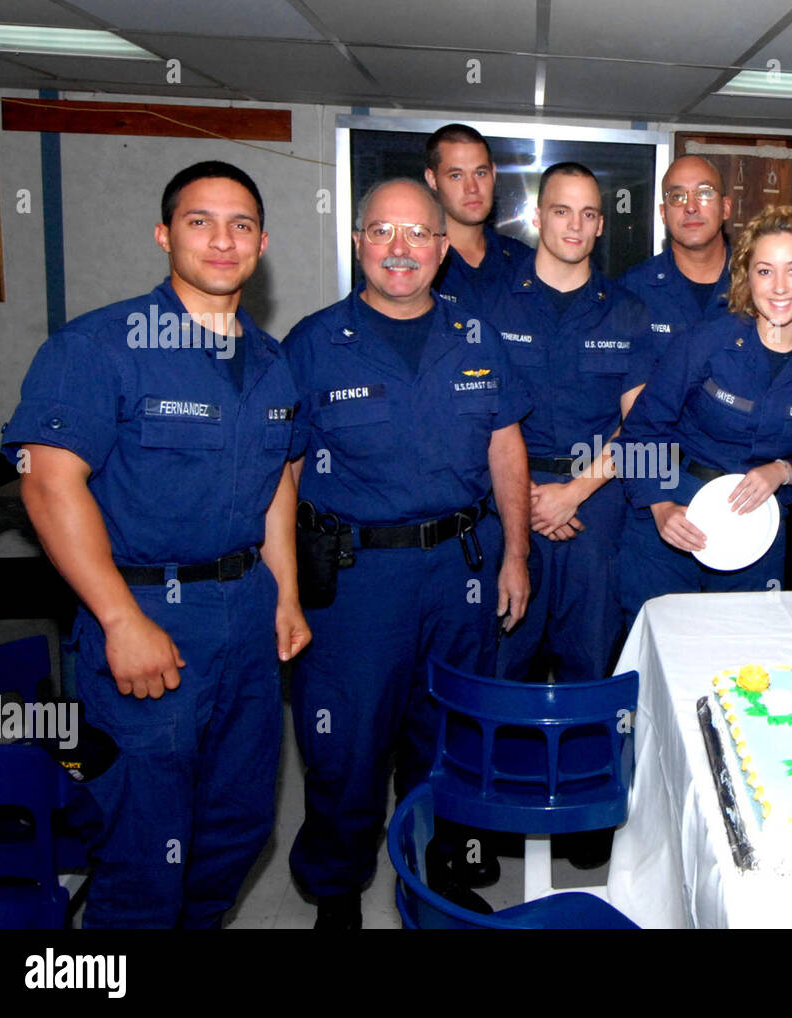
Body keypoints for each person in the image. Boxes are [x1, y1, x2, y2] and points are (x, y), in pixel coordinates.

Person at [1, 161, 309, 928]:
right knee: (143, 848)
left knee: (235, 831)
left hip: (245, 617)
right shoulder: (101, 347)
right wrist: (117, 620)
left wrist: (288, 595)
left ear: (262, 243)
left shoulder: (272, 366)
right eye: (200, 221)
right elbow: (47, 484)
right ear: (165, 234)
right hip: (144, 614)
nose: (222, 239)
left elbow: (277, 484)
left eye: (241, 224)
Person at [283, 178, 532, 928]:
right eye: (383, 233)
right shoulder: (313, 343)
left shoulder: (477, 337)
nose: (401, 250)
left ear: (444, 248)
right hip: (357, 583)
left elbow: (506, 447)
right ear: (359, 242)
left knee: (448, 735)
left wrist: (516, 555)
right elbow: (284, 475)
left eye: (419, 235)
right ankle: (337, 889)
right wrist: (284, 590)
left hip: (461, 565)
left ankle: (433, 868)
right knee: (346, 747)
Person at [618, 205, 792, 623]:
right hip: (672, 515)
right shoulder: (704, 343)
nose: (778, 287)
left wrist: (785, 471)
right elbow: (640, 431)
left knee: (746, 658)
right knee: (659, 653)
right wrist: (660, 506)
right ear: (746, 277)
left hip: (757, 527)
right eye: (763, 271)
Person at [486, 162, 654, 687]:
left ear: (601, 225)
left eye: (588, 214)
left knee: (592, 670)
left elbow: (642, 430)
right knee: (505, 668)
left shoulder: (626, 312)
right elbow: (474, 419)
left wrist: (571, 494)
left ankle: (589, 772)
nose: (574, 226)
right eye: (561, 211)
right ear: (538, 216)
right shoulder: (490, 306)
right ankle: (512, 773)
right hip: (507, 505)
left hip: (596, 511)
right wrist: (532, 498)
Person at [619, 154, 733, 337]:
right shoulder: (633, 290)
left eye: (704, 193)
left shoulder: (759, 283)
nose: (690, 207)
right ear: (663, 214)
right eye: (677, 196)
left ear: (725, 208)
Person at [424, 123, 529, 314]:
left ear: (494, 173)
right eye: (456, 175)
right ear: (432, 179)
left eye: (480, 173)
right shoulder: (416, 261)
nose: (472, 188)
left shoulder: (523, 262)